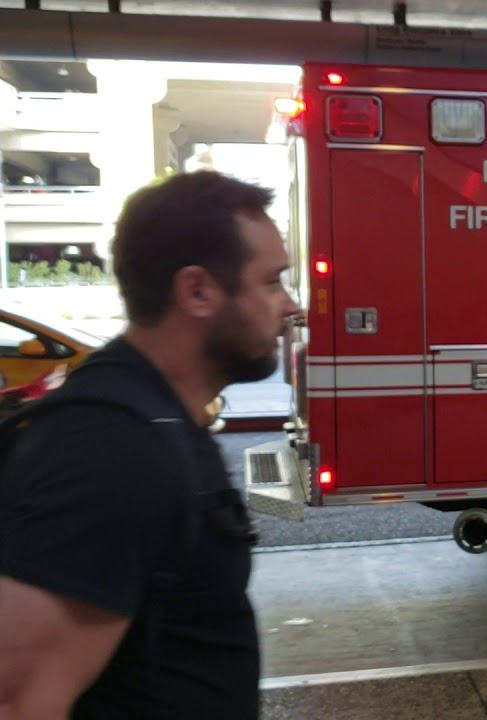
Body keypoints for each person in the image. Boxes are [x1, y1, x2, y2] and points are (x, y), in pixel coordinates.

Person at [0, 170, 299, 718]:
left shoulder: (157, 416)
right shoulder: (111, 449)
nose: (291, 306)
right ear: (197, 291)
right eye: (272, 282)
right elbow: (19, 699)